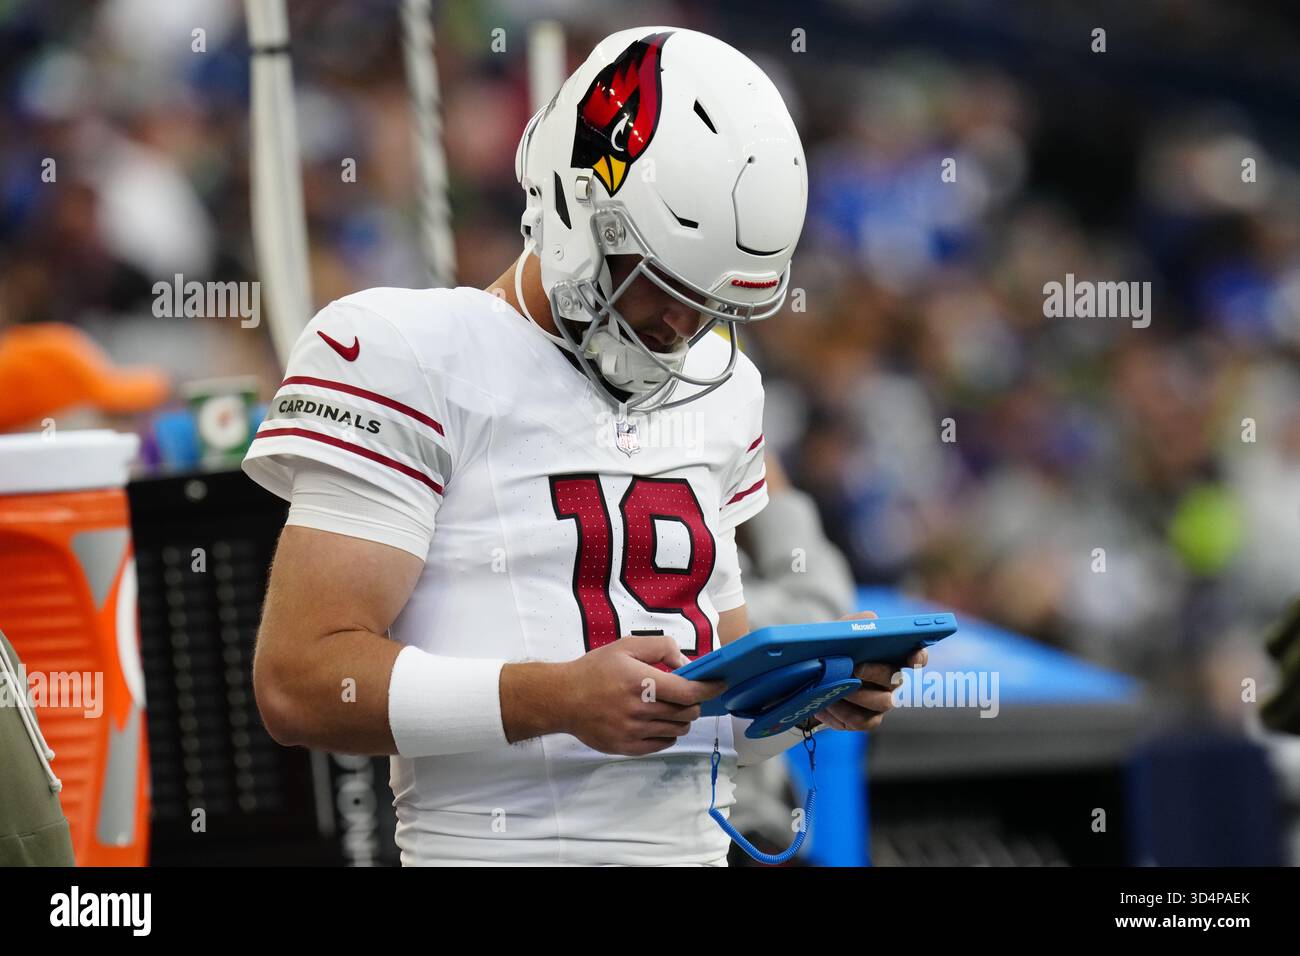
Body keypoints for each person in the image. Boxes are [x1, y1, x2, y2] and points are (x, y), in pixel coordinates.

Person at [243, 25, 923, 866]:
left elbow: (714, 728)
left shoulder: (725, 388)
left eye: (707, 303)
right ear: (576, 207)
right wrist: (556, 697)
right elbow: (301, 681)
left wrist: (812, 698)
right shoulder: (407, 350)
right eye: (662, 287)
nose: (683, 329)